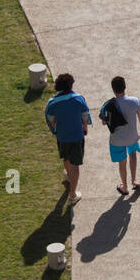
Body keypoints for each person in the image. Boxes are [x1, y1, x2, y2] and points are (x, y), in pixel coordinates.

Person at [44, 72, 91, 204]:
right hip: (76, 136)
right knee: (75, 165)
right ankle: (72, 195)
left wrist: (55, 130)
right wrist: (85, 127)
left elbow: (50, 119)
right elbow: (85, 114)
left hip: (62, 137)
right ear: (70, 85)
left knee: (66, 158)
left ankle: (67, 174)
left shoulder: (53, 103)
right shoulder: (78, 98)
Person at [99, 75, 140, 197]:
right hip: (132, 136)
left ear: (113, 90)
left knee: (122, 162)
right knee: (133, 155)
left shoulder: (108, 105)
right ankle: (134, 180)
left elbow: (104, 122)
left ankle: (124, 186)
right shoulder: (135, 101)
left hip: (117, 139)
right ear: (125, 87)